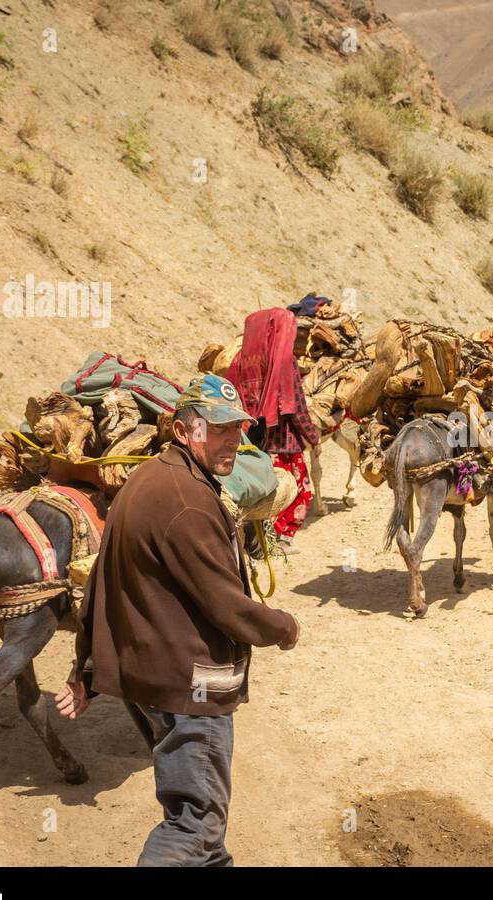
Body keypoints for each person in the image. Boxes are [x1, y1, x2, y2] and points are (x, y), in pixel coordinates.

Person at [54, 373, 300, 867]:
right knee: (193, 823)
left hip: (153, 680)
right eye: (221, 428)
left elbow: (101, 581)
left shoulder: (147, 479)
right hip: (193, 687)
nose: (234, 438)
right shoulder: (187, 500)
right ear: (187, 429)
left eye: (238, 429)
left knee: (206, 830)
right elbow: (226, 604)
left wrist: (85, 671)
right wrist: (282, 627)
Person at [226, 307, 322, 554]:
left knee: (261, 489)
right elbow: (296, 406)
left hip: (250, 440)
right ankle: (281, 539)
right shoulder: (283, 362)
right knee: (298, 490)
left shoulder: (239, 359)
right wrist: (313, 436)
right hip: (283, 441)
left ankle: (258, 539)